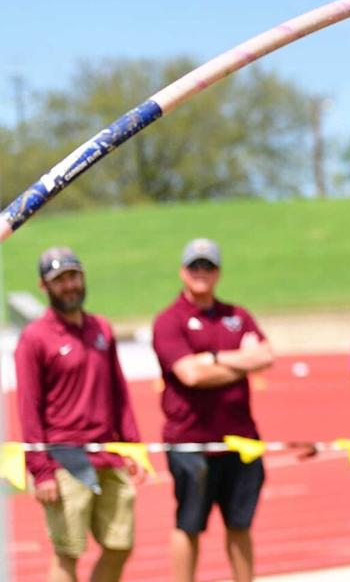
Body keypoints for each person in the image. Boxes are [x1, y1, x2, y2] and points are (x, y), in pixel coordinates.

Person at [15, 247, 144, 582]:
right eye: (60, 280)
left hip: (108, 455)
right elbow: (28, 408)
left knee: (120, 545)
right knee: (68, 552)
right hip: (64, 460)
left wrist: (133, 448)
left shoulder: (101, 328)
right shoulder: (34, 338)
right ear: (44, 286)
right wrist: (41, 470)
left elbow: (119, 392)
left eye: (73, 276)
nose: (69, 285)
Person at [152, 238, 275, 582]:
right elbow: (190, 375)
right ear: (183, 271)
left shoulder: (237, 316)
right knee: (188, 524)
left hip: (240, 441)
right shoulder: (169, 320)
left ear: (218, 272)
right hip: (191, 444)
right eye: (195, 266)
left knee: (240, 524)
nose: (201, 273)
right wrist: (241, 363)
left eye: (208, 266)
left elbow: (266, 355)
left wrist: (214, 359)